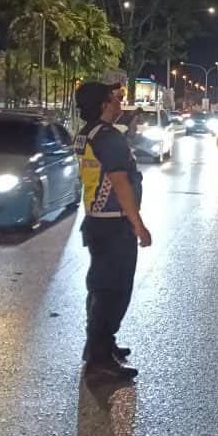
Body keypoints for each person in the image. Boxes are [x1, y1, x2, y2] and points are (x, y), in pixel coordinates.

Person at [74, 81, 152, 381]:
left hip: (97, 220)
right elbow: (120, 182)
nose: (121, 101)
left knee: (100, 287)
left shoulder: (88, 134)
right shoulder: (107, 137)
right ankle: (100, 359)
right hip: (113, 223)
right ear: (105, 104)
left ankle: (100, 345)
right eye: (116, 98)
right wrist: (138, 225)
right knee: (114, 291)